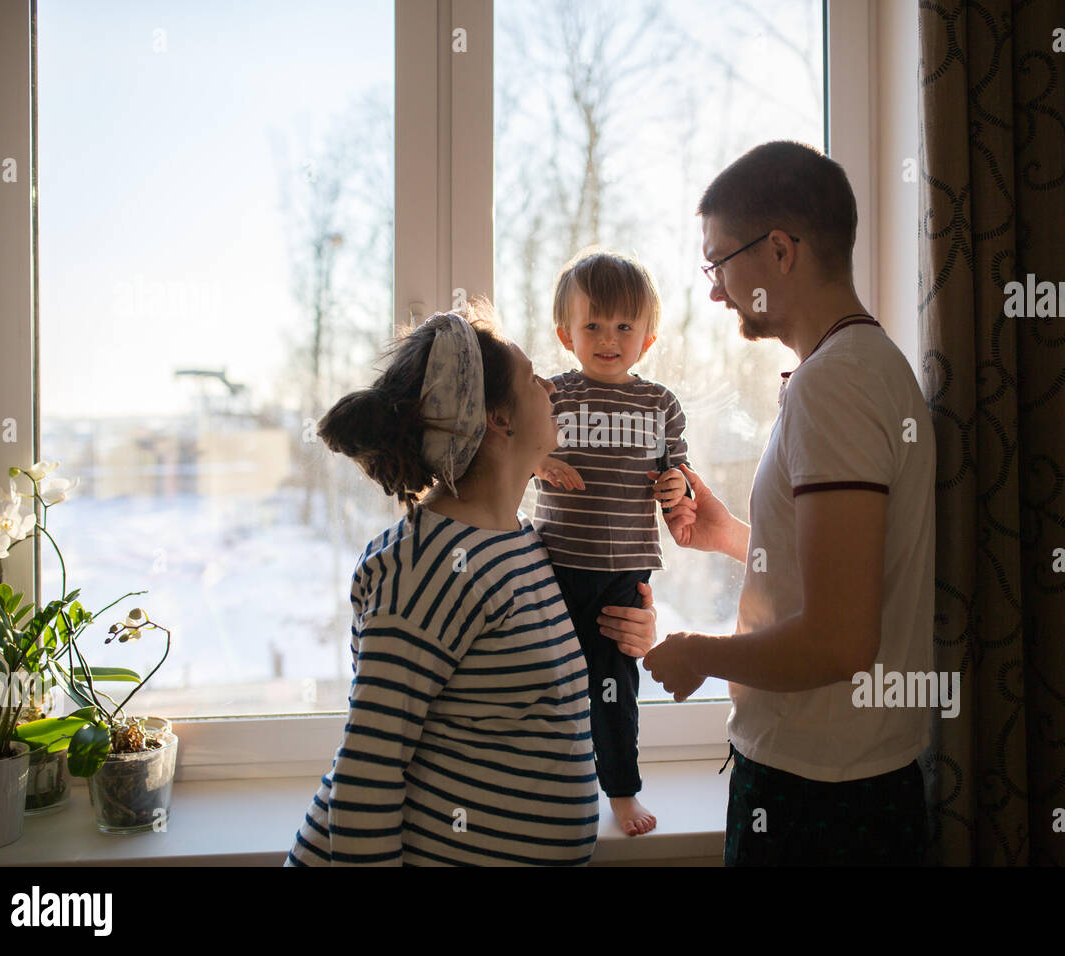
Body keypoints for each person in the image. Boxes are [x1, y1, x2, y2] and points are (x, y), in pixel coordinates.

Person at [643, 140, 936, 866]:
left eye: (718, 263)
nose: (713, 290)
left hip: (820, 804)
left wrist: (700, 655)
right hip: (852, 783)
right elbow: (850, 574)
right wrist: (732, 537)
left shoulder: (835, 385)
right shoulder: (865, 367)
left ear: (779, 251)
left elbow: (840, 640)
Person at [284, 304, 659, 866]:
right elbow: (368, 774)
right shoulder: (423, 566)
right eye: (533, 378)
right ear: (499, 419)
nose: (550, 387)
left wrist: (630, 629)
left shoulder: (523, 545)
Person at [530, 250, 690, 837]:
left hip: (624, 571)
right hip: (553, 565)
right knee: (549, 681)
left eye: (625, 325)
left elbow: (677, 481)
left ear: (647, 338)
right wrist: (540, 461)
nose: (608, 338)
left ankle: (621, 789)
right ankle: (548, 784)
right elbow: (513, 455)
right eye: (592, 324)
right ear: (565, 333)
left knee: (615, 686)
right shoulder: (552, 395)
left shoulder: (659, 404)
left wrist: (675, 485)